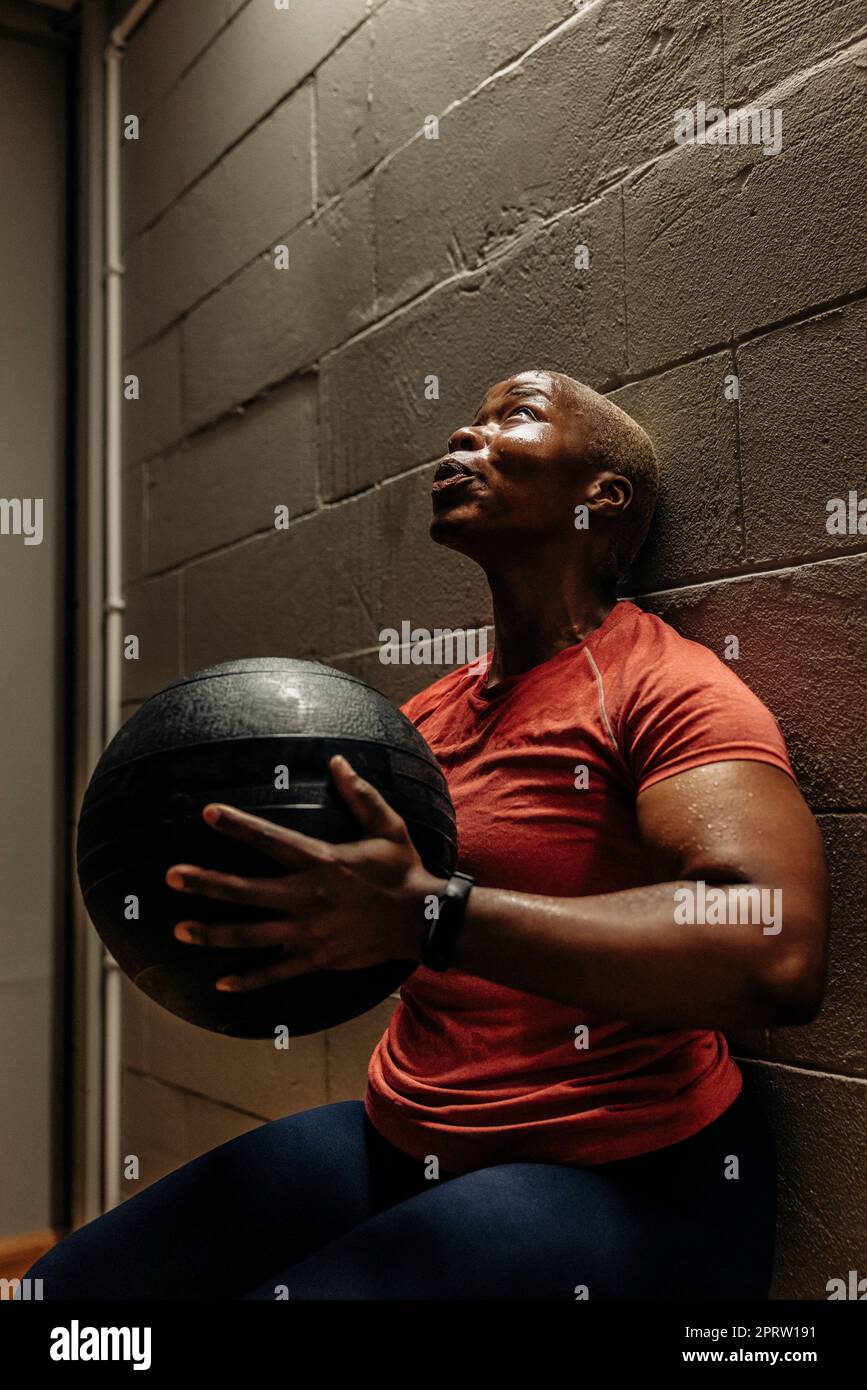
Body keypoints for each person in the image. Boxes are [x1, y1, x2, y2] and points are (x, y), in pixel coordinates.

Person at [24, 369, 828, 1300]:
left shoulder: (665, 687)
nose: (463, 436)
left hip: (625, 1172)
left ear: (601, 496)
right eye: (467, 420)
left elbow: (773, 951)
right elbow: (372, 917)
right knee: (68, 1298)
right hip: (407, 1136)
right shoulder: (425, 723)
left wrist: (432, 918)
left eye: (512, 418)